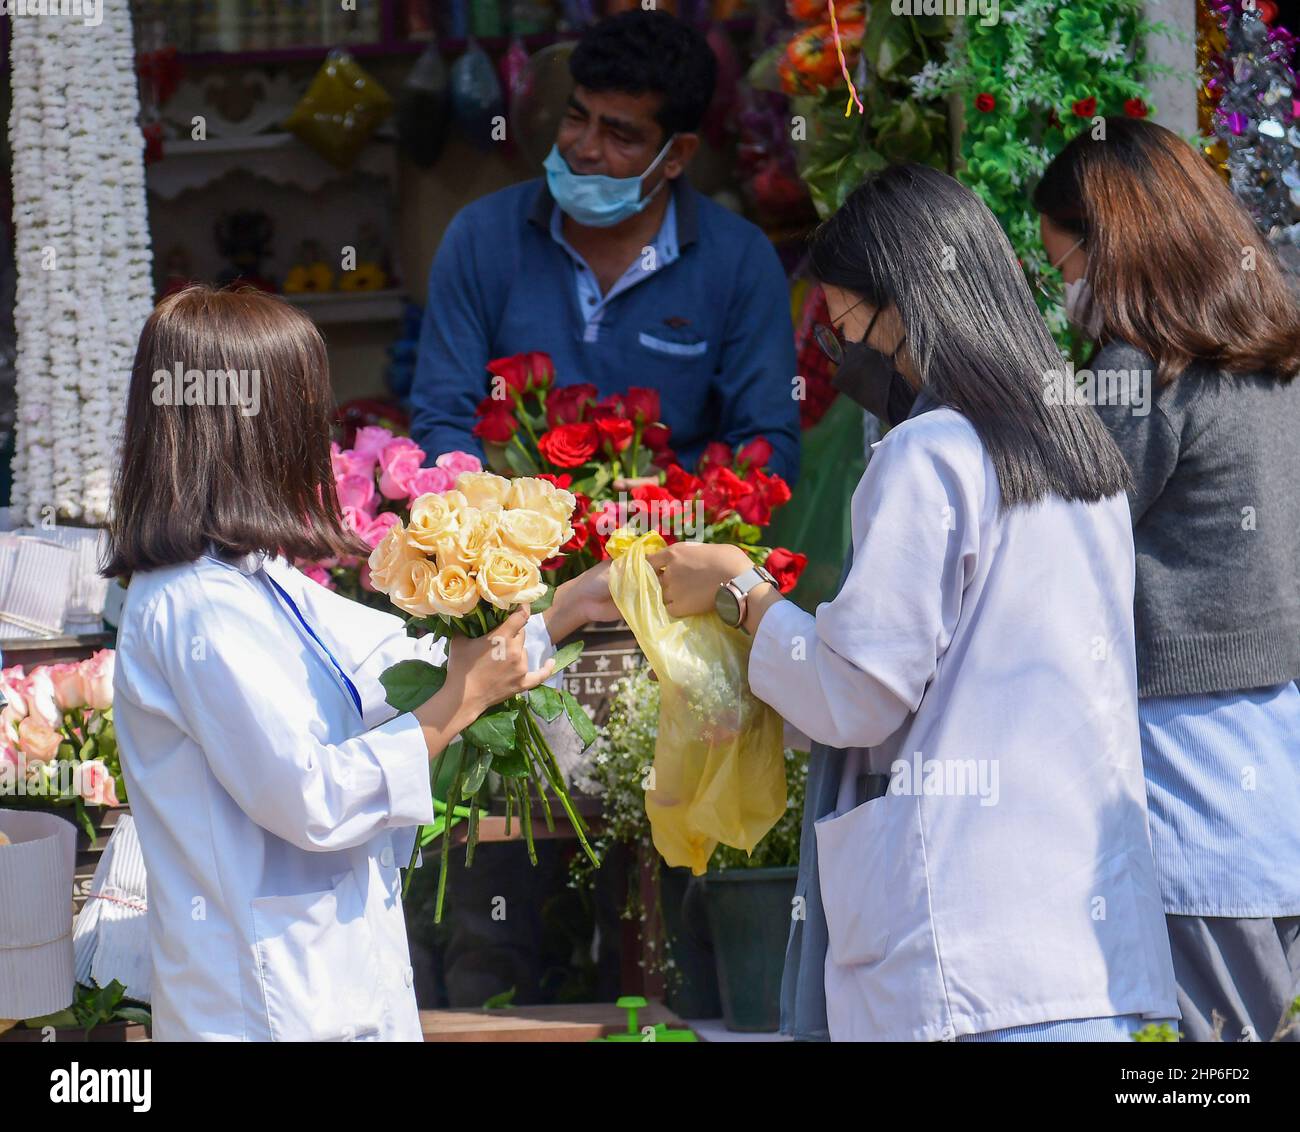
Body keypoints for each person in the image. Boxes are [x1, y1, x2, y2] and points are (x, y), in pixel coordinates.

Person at [652, 163, 1180, 1041]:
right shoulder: (1084, 455)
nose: (841, 353)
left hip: (968, 955)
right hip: (1079, 943)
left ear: (899, 308)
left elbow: (858, 695)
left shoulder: (927, 454)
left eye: (845, 326)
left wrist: (742, 593)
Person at [102, 286, 616, 1041]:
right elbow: (313, 798)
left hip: (326, 989)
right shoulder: (192, 607)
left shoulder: (258, 580)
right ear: (247, 428)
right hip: (260, 1010)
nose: (318, 428)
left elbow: (411, 664)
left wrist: (567, 606)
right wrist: (457, 706)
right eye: (301, 407)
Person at [1035, 119, 1300, 1043]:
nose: (1067, 293)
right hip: (1275, 731)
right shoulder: (1272, 347)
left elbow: (1062, 533)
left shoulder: (1140, 369)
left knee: (1218, 1040)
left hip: (1185, 730)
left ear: (1115, 250)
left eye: (1066, 268)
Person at [409, 7, 800, 483]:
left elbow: (766, 446)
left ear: (677, 155)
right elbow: (442, 420)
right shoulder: (480, 237)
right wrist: (502, 518)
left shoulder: (740, 261)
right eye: (577, 117)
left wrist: (667, 504)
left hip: (672, 540)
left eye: (620, 135)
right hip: (513, 539)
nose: (585, 147)